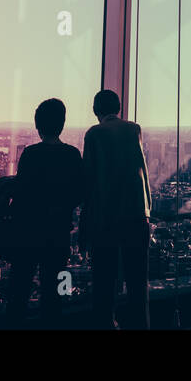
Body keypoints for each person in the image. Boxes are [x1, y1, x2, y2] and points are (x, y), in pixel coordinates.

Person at [4, 98, 83, 325]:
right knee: (54, 294)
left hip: (27, 233)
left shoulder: (30, 154)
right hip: (57, 235)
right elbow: (79, 193)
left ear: (38, 126)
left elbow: (20, 195)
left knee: (19, 292)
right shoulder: (72, 155)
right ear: (62, 124)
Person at [81, 89, 151, 329]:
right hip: (137, 216)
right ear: (119, 108)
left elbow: (88, 181)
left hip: (105, 219)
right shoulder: (134, 130)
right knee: (137, 285)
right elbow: (142, 173)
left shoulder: (94, 134)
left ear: (95, 110)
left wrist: (84, 224)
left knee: (104, 284)